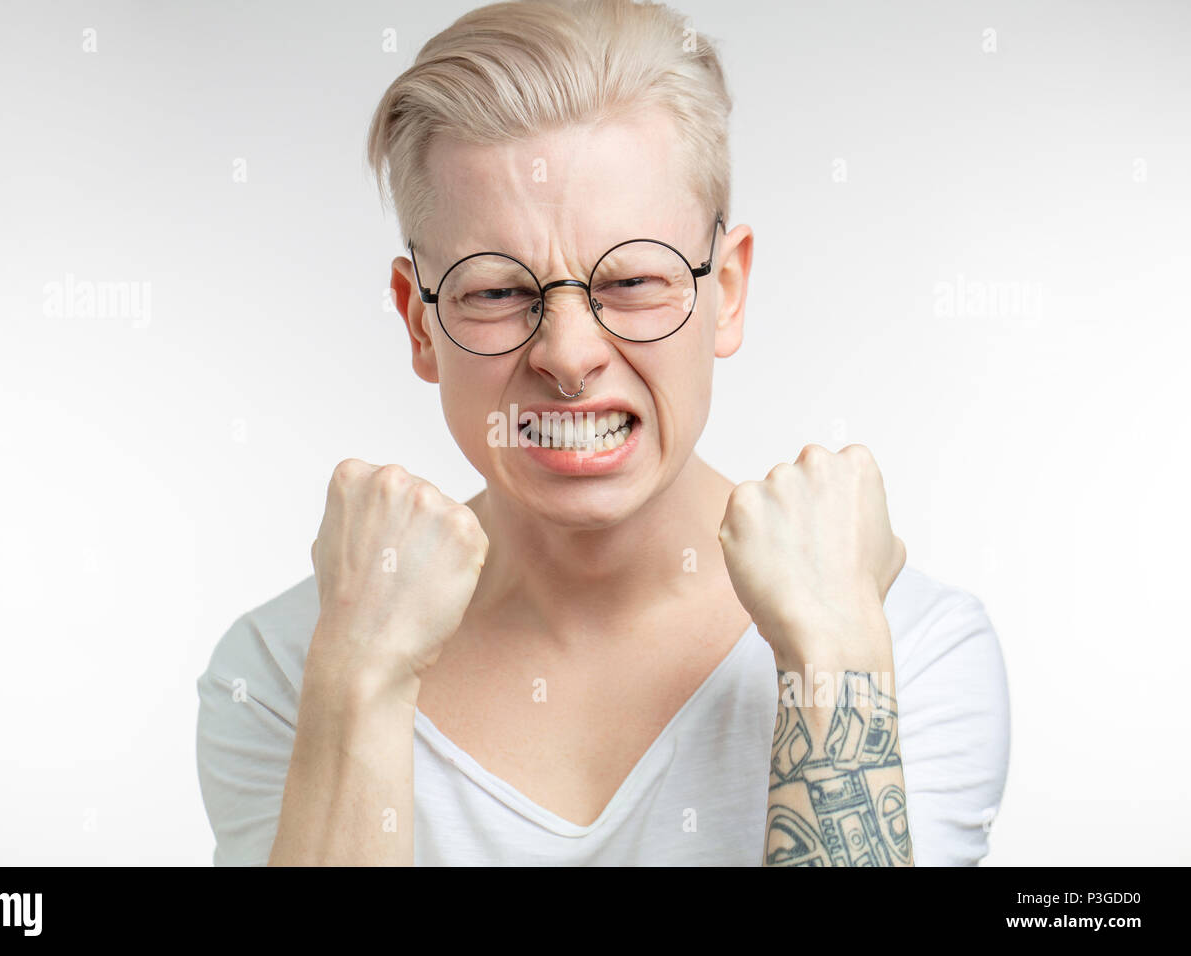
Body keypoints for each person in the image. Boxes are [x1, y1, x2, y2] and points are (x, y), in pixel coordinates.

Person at [195, 0, 1010, 866]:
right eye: (497, 291)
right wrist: (359, 678)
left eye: (630, 280)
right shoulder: (289, 671)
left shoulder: (904, 646)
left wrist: (835, 655)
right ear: (419, 323)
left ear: (726, 290)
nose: (569, 355)